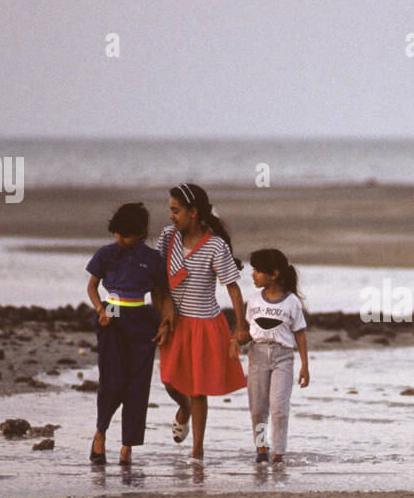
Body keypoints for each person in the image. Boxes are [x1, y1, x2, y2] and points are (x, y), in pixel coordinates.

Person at [156, 183, 250, 460]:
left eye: (176, 210)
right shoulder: (168, 237)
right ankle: (183, 408)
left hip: (204, 324)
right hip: (173, 321)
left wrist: (240, 326)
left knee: (198, 389)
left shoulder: (215, 245)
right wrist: (164, 310)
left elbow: (233, 287)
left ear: (193, 212)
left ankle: (197, 450)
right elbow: (157, 278)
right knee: (169, 380)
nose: (171, 216)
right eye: (170, 210)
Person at [85, 202, 172, 465]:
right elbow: (92, 287)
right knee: (112, 381)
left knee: (138, 385)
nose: (120, 239)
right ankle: (100, 432)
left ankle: (127, 446)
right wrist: (101, 309)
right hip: (112, 311)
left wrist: (164, 323)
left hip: (140, 314)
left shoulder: (152, 259)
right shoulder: (106, 254)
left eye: (126, 235)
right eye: (117, 234)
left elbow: (160, 294)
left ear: (141, 233)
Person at [242, 248, 309, 467]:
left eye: (258, 271)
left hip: (283, 358)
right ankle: (261, 448)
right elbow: (250, 331)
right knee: (258, 408)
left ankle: (278, 453)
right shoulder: (253, 300)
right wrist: (235, 342)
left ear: (274, 274)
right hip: (257, 356)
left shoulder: (292, 302)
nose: (253, 274)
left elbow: (300, 333)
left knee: (279, 408)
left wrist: (305, 366)